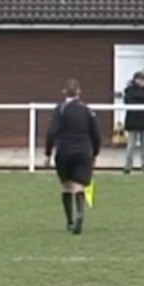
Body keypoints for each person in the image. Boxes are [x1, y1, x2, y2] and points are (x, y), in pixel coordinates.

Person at [44, 79, 102, 235]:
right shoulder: (87, 111)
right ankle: (80, 214)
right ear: (79, 92)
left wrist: (48, 153)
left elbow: (51, 133)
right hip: (83, 151)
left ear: (64, 92)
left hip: (64, 151)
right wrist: (95, 152)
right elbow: (96, 134)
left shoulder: (60, 110)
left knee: (66, 186)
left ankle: (70, 221)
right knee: (79, 186)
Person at [121, 71, 144, 175]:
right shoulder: (129, 90)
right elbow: (129, 100)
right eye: (141, 79)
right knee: (131, 146)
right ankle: (128, 166)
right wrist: (142, 98)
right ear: (135, 80)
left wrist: (141, 98)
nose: (143, 82)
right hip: (133, 122)